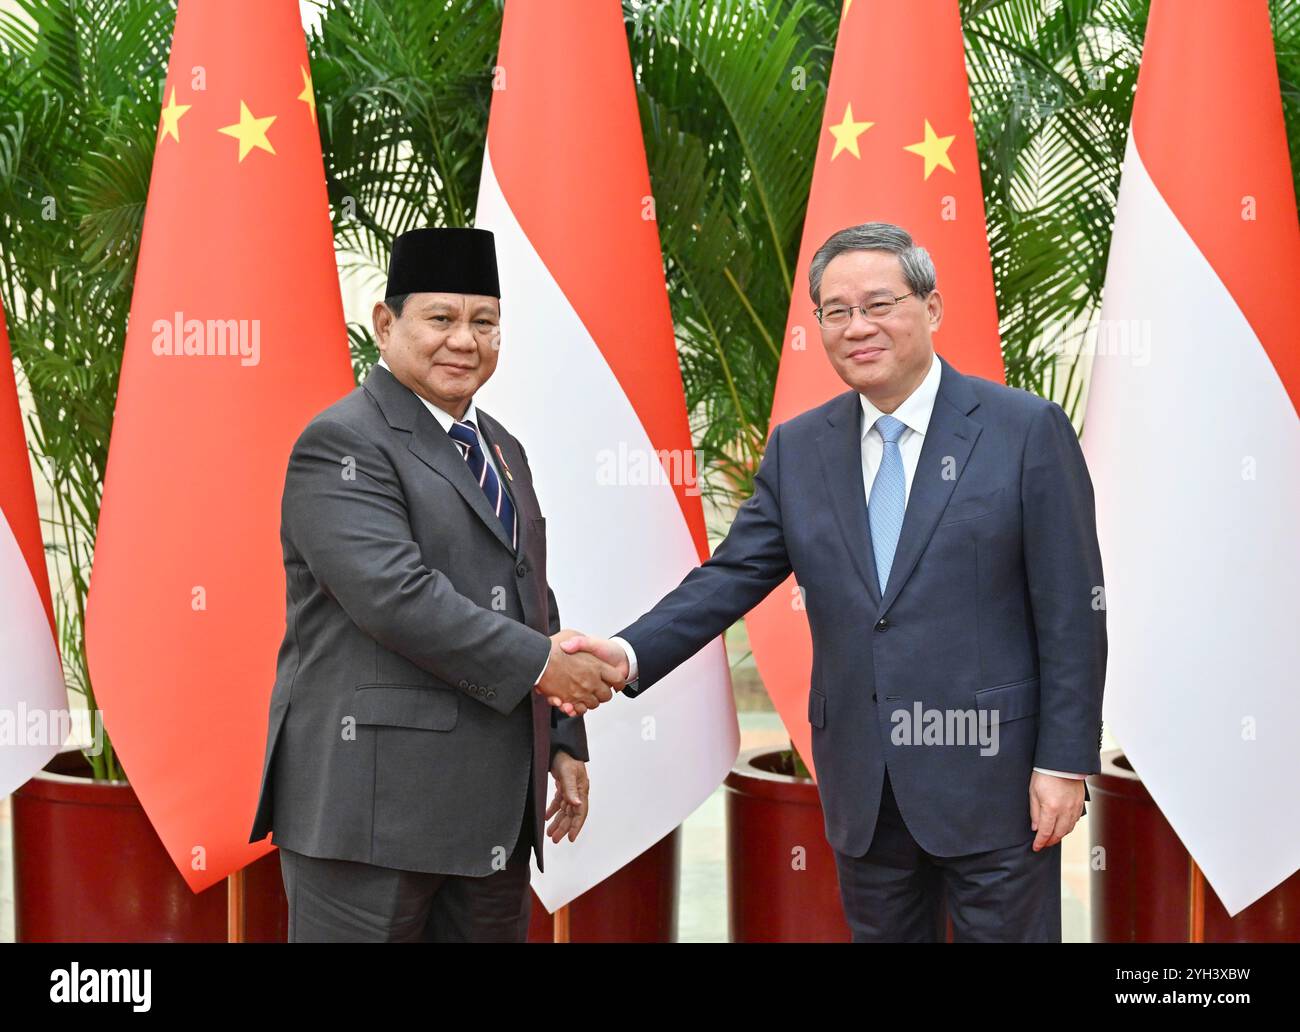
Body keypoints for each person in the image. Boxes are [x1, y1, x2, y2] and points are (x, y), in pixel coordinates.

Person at [561, 222, 1106, 942]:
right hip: (864, 788)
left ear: (932, 308)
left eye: (879, 304)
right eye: (836, 311)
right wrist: (627, 653)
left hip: (996, 786)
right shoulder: (800, 447)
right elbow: (730, 577)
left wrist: (1063, 763)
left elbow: (1073, 614)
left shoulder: (1023, 431)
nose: (858, 327)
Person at [248, 226, 622, 942]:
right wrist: (549, 669)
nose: (464, 341)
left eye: (484, 322)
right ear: (386, 325)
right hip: (373, 814)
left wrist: (564, 738)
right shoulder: (344, 442)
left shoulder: (500, 447)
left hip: (490, 818)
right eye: (441, 319)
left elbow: (530, 597)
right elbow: (396, 597)